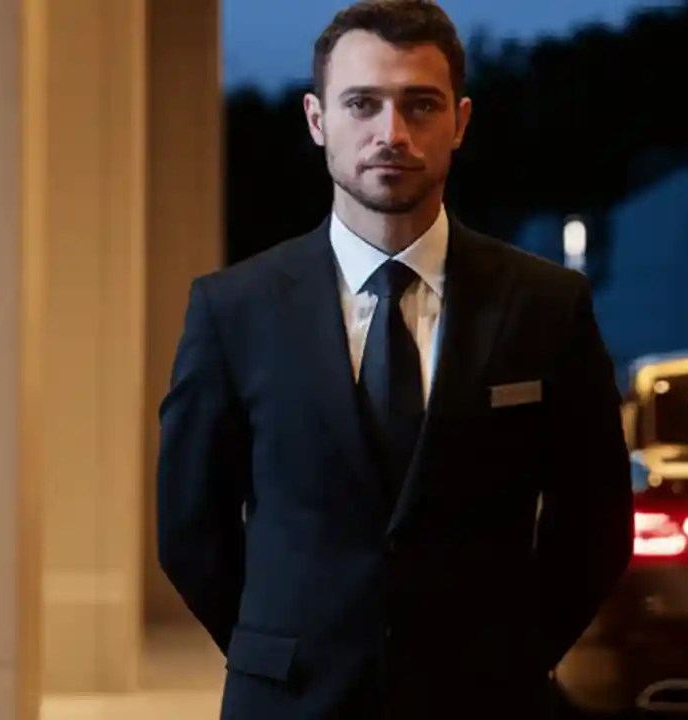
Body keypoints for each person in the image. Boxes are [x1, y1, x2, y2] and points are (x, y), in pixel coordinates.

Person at [156, 1, 632, 717]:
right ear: (318, 120)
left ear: (460, 122)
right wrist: (274, 646)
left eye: (420, 105)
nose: (392, 133)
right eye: (363, 104)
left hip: (485, 698)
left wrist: (513, 654)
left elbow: (595, 523)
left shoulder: (546, 306)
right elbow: (191, 529)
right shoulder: (234, 311)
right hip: (290, 698)